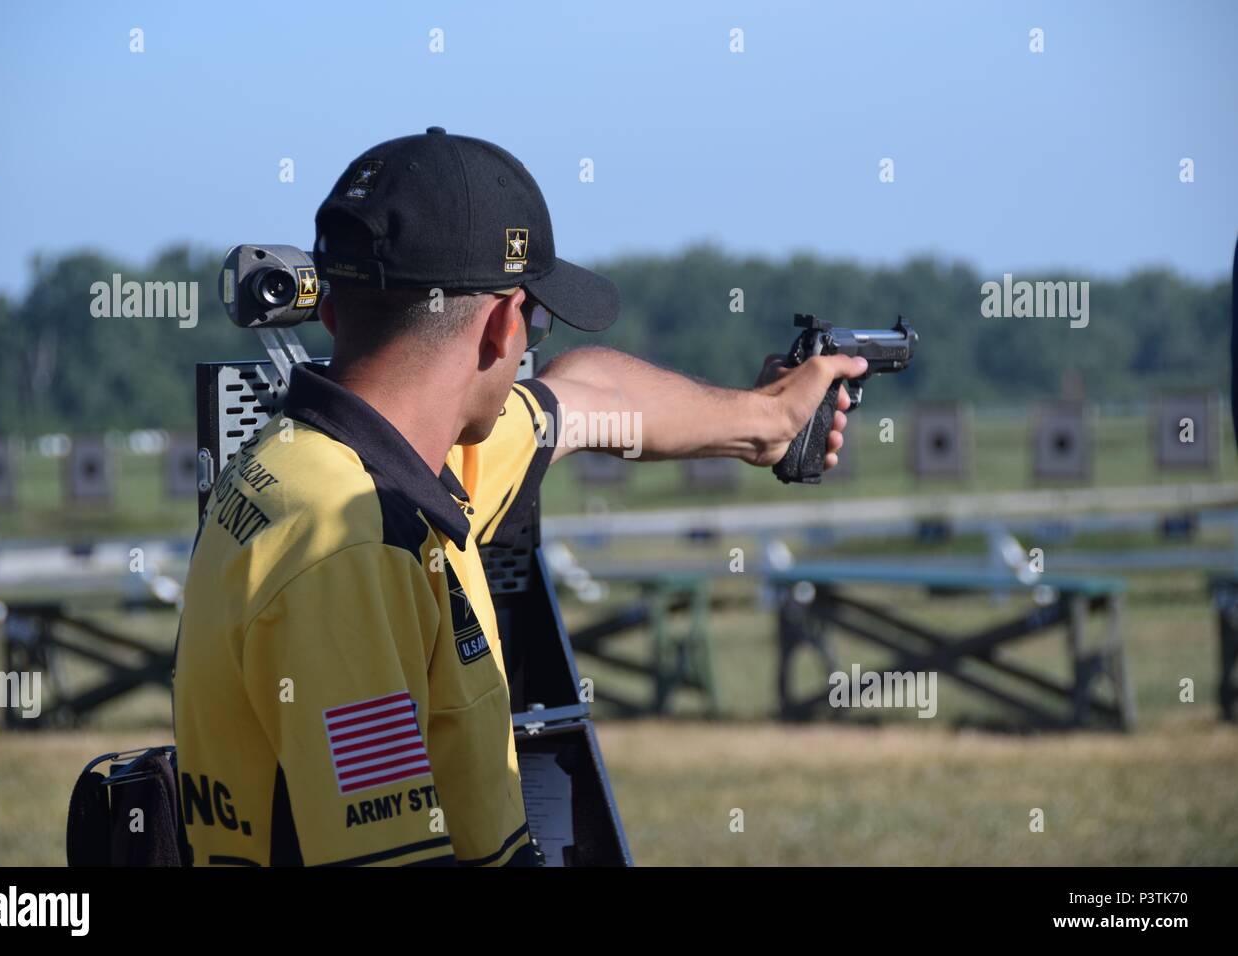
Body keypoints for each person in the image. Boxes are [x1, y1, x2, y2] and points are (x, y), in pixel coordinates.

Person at [173, 127, 866, 866]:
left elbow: (584, 396)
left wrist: (767, 421)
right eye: (534, 318)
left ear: (334, 310)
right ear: (504, 325)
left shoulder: (363, 463)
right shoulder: (352, 548)